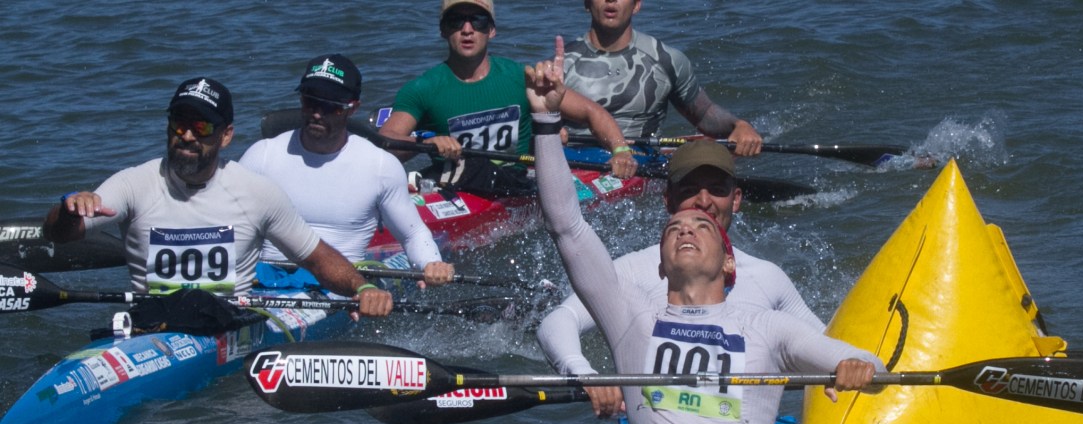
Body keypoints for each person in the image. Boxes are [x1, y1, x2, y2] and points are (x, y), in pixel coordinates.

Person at [527, 38, 882, 424]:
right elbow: (567, 226)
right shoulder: (632, 304)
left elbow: (843, 353)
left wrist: (851, 368)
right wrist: (545, 121)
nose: (698, 209)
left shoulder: (767, 309)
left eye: (714, 193)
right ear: (662, 263)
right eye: (679, 217)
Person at [43, 77, 392, 317]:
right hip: (148, 325)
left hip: (226, 323)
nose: (189, 137)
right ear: (168, 127)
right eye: (180, 124)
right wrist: (69, 211)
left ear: (225, 136)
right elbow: (60, 234)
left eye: (202, 128)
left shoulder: (256, 193)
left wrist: (361, 289)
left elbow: (316, 258)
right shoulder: (133, 184)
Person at [537, 136, 825, 418]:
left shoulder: (768, 277)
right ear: (668, 200)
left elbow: (826, 343)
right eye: (689, 190)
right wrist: (584, 374)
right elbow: (558, 321)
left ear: (736, 199)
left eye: (716, 189)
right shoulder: (634, 271)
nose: (704, 202)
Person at [240, 54, 455, 288]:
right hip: (266, 278)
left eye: (330, 105)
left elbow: (412, 235)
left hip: (342, 285)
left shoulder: (380, 166)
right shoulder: (261, 156)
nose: (317, 113)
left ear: (353, 108)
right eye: (310, 101)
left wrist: (431, 263)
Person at [378, 0, 639, 183]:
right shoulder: (422, 89)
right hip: (459, 184)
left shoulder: (520, 77)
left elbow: (592, 112)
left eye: (477, 21)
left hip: (519, 181)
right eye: (456, 21)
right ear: (444, 30)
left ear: (491, 31)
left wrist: (620, 151)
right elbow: (385, 142)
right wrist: (427, 143)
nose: (467, 29)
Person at [563, 0, 764, 157]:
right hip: (574, 160)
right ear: (586, 3)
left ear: (637, 5)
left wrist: (738, 126)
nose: (611, 0)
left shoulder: (666, 60)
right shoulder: (561, 65)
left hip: (639, 160)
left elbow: (703, 115)